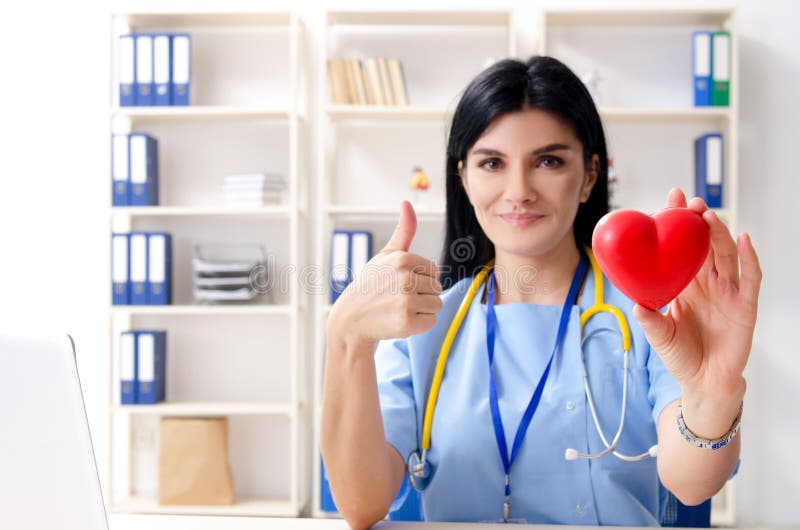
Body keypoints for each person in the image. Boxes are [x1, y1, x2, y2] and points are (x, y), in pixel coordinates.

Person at [321, 56, 761, 528]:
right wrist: (347, 339)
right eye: (492, 163)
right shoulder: (425, 324)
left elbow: (691, 483)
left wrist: (712, 395)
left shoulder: (651, 318)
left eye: (548, 161)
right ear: (464, 179)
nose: (519, 190)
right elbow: (361, 504)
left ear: (591, 174)